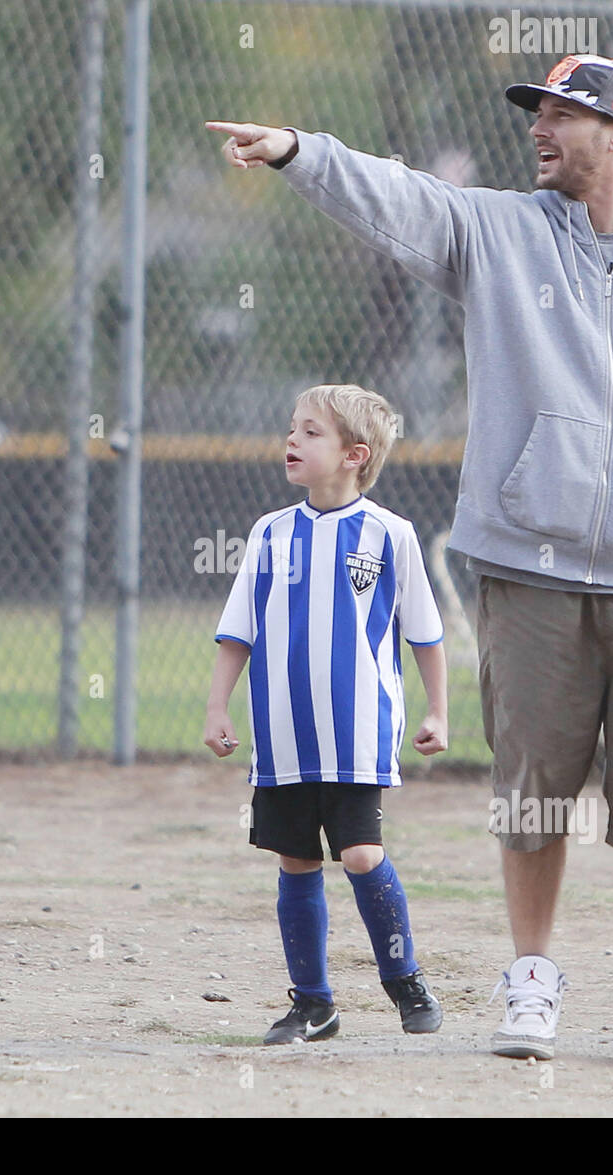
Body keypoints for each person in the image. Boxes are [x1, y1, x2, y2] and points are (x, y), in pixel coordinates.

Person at [207, 53, 613, 1074]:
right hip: (528, 568)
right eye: (533, 111)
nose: (538, 128)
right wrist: (304, 154)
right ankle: (531, 977)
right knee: (531, 790)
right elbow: (404, 198)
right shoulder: (498, 233)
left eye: (562, 114)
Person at [204, 383, 449, 1044]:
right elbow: (239, 631)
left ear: (354, 454)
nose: (292, 439)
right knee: (295, 861)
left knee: (363, 854)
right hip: (283, 738)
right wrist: (217, 706)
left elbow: (424, 633)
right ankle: (314, 1003)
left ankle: (405, 981)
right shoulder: (269, 534)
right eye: (292, 428)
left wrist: (440, 713)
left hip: (358, 735)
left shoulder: (390, 534)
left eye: (310, 432)